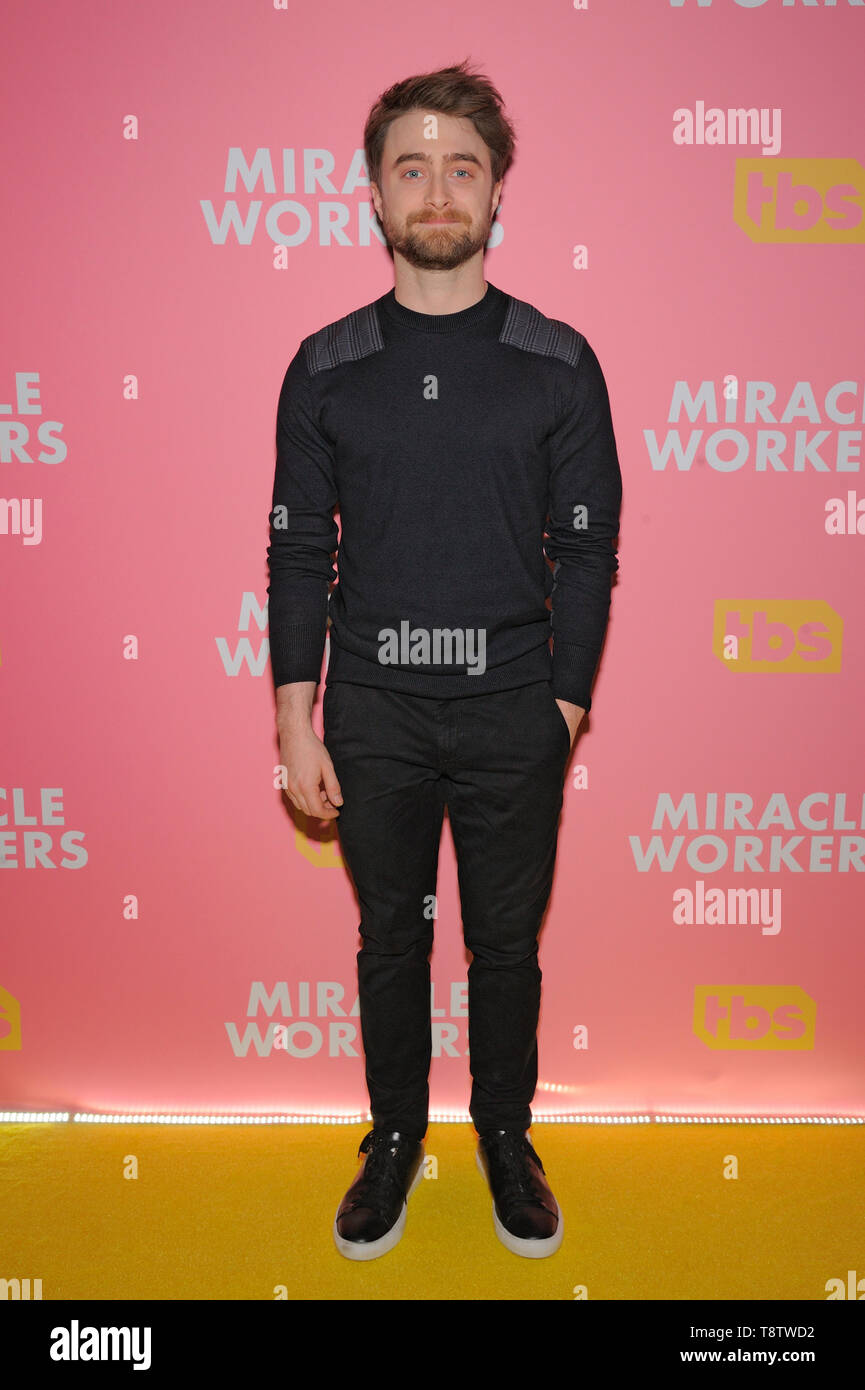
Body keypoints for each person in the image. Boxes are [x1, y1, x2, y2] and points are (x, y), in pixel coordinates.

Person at [267, 59, 622, 1261]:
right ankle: (391, 1143)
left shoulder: (558, 359)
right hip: (371, 712)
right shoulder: (323, 367)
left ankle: (506, 1138)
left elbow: (587, 551)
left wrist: (564, 705)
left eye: (459, 168)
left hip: (514, 707)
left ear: (494, 193)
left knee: (507, 946)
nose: (435, 189)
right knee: (388, 941)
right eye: (410, 167)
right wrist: (295, 720)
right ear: (373, 194)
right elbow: (296, 551)